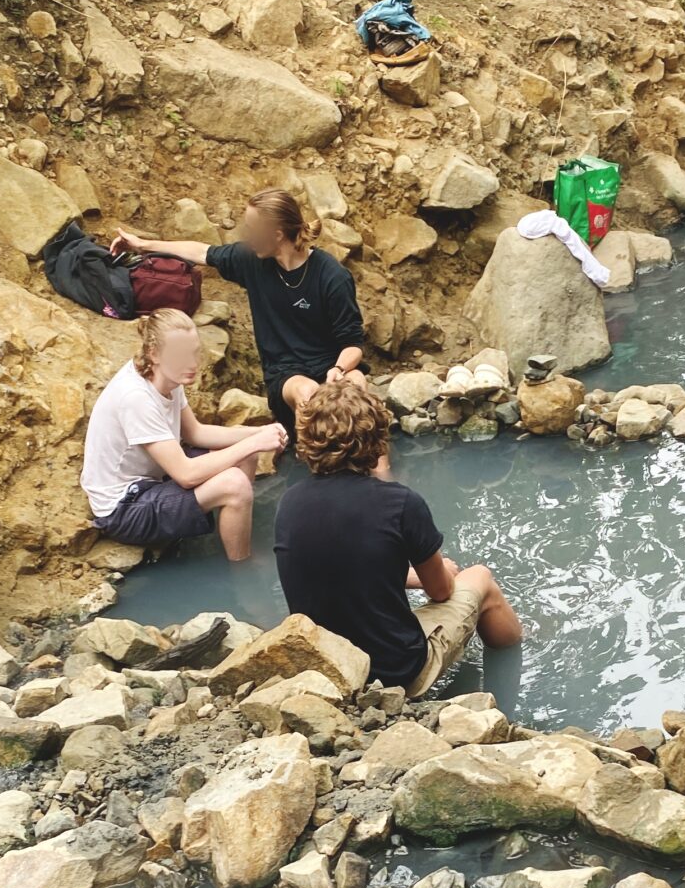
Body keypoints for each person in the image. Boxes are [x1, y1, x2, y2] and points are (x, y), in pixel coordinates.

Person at [274, 381, 523, 696]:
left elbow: (337, 569)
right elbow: (442, 591)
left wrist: (411, 578)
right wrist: (441, 572)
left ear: (308, 438)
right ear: (378, 440)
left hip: (327, 667)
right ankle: (514, 672)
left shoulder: (289, 504)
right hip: (394, 670)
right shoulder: (400, 502)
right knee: (482, 580)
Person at [109, 188, 365, 439]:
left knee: (357, 387)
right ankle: (317, 466)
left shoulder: (332, 276)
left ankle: (381, 474)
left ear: (276, 235)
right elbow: (201, 252)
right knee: (308, 392)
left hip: (334, 367)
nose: (247, 236)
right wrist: (143, 244)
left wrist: (339, 369)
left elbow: (353, 345)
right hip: (287, 374)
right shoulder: (251, 260)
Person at [80, 309, 286, 561]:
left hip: (153, 478)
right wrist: (252, 442)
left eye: (195, 352)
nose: (192, 363)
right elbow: (186, 475)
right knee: (235, 484)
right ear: (154, 354)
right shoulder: (136, 398)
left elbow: (196, 433)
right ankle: (243, 571)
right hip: (123, 509)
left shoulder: (166, 376)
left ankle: (232, 525)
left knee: (247, 456)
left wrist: (260, 433)